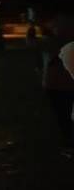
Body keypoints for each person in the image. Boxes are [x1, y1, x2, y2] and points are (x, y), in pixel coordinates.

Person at [42, 14, 74, 148]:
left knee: (63, 116)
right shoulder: (51, 42)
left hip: (57, 85)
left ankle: (68, 139)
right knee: (64, 115)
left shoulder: (51, 42)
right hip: (59, 85)